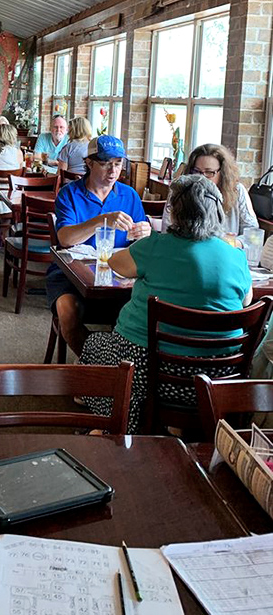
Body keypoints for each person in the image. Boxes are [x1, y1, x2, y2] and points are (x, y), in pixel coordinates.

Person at [81, 175, 253, 433]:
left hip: (152, 369)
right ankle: (181, 424)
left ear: (174, 213)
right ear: (216, 213)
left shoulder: (155, 247)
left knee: (94, 346)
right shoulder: (236, 256)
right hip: (217, 374)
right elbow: (246, 301)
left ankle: (120, 423)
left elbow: (116, 263)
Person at [47, 135, 151, 356]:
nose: (112, 171)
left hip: (119, 276)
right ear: (89, 163)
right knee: (68, 312)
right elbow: (64, 238)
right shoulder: (70, 194)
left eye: (117, 164)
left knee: (147, 312)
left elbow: (144, 241)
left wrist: (146, 232)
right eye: (104, 164)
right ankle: (98, 367)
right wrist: (101, 220)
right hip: (71, 275)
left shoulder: (129, 195)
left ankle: (117, 369)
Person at [161, 143, 257, 239]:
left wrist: (234, 242)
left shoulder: (237, 191)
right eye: (196, 171)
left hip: (226, 250)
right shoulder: (179, 190)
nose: (201, 177)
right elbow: (167, 228)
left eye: (209, 172)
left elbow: (253, 231)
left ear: (222, 173)